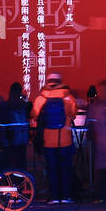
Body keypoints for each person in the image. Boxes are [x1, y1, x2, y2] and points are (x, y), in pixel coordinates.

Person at [32, 73, 78, 204]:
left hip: (48, 140)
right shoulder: (68, 97)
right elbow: (73, 113)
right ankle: (66, 196)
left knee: (51, 168)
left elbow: (34, 115)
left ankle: (54, 197)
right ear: (60, 81)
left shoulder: (41, 97)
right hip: (65, 139)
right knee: (65, 168)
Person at [0, 82, 31, 173]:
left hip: (11, 141)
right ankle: (22, 183)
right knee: (21, 164)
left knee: (10, 164)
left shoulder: (7, 104)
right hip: (22, 140)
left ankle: (11, 183)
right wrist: (26, 101)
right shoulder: (23, 105)